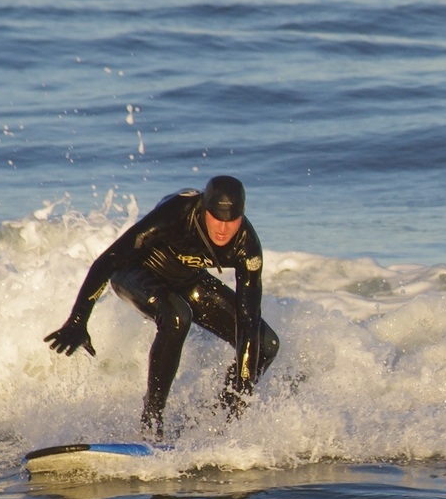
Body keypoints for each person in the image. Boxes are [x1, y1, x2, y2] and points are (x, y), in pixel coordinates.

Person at [43, 175, 279, 438]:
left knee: (265, 344)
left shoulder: (247, 246)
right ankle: (151, 423)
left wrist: (242, 389)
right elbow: (109, 260)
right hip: (135, 272)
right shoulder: (178, 213)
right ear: (204, 209)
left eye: (231, 220)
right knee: (177, 316)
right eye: (216, 218)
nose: (223, 229)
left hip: (187, 278)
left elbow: (248, 321)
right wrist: (78, 320)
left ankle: (219, 422)